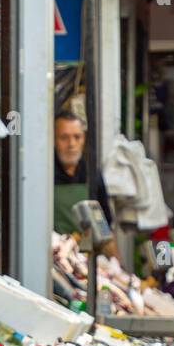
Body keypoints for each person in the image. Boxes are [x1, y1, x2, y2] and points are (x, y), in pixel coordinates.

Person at [53, 110, 118, 259]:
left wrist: (116, 266)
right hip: (56, 257)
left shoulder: (92, 173)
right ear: (54, 140)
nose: (71, 144)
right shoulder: (45, 175)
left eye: (77, 137)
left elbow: (106, 229)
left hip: (89, 258)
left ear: (84, 139)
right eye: (64, 138)